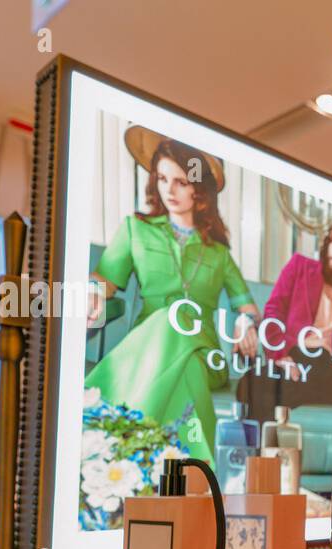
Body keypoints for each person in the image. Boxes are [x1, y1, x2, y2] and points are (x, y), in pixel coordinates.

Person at [84, 127, 257, 463]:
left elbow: (245, 305)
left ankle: (121, 445)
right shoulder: (136, 229)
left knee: (187, 346)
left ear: (199, 191)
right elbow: (104, 281)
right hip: (146, 346)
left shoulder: (218, 253)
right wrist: (92, 291)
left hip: (204, 348)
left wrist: (246, 322)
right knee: (177, 343)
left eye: (181, 181)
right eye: (163, 179)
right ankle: (198, 472)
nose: (169, 190)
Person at [235, 221, 332, 413]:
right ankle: (268, 441)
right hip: (298, 356)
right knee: (250, 384)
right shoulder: (300, 266)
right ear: (327, 243)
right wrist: (280, 356)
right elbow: (273, 312)